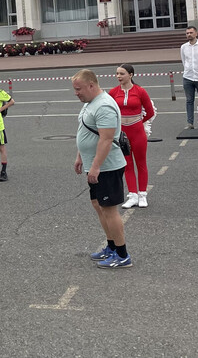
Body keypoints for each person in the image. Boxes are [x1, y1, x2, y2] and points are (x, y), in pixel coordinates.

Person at [72, 69, 133, 269]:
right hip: (94, 165)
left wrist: (96, 167)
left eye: (78, 89)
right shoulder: (90, 103)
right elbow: (86, 131)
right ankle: (112, 246)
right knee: (99, 207)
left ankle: (122, 255)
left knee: (109, 210)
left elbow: (106, 140)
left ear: (91, 85)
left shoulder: (105, 106)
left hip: (107, 167)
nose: (76, 93)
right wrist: (80, 156)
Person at [109, 64, 156, 208]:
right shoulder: (113, 92)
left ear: (130, 75)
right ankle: (132, 195)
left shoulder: (140, 91)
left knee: (141, 163)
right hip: (122, 133)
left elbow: (150, 112)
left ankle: (142, 194)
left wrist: (137, 122)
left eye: (122, 74)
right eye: (117, 74)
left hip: (137, 132)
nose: (118, 76)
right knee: (127, 165)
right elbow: (109, 111)